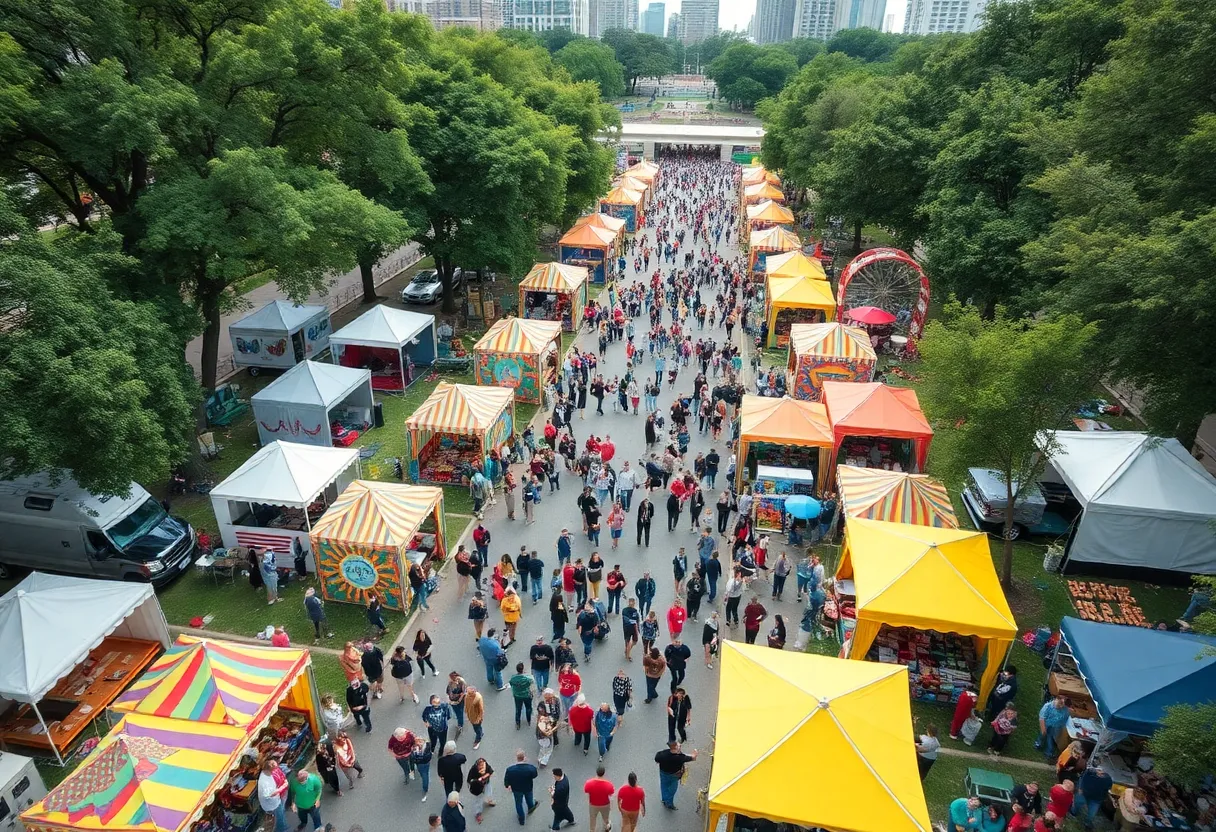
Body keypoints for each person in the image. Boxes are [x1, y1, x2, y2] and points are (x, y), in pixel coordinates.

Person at [654, 741, 697, 810]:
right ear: (676, 747)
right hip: (674, 775)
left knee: (664, 785)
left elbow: (657, 758)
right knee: (672, 789)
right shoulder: (680, 757)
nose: (680, 745)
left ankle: (664, 798)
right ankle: (669, 803)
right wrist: (695, 752)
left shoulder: (663, 753)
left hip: (663, 773)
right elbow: (693, 758)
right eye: (679, 745)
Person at [503, 749, 541, 825]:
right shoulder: (530, 768)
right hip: (528, 787)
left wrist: (507, 785)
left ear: (517, 758)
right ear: (524, 758)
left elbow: (506, 779)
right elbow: (535, 775)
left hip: (516, 789)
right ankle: (531, 807)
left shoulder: (510, 770)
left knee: (518, 803)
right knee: (529, 798)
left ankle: (521, 819)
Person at [1073, 765, 1113, 830]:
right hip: (1083, 794)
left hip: (1096, 799)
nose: (1099, 772)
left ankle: (1087, 823)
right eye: (1098, 770)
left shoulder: (1108, 780)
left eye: (1101, 771)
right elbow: (1082, 778)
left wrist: (1102, 797)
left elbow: (1108, 788)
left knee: (1092, 814)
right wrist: (1080, 788)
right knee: (1078, 803)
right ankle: (1074, 812)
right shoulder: (1089, 772)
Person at [1034, 695, 1071, 760]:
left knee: (1050, 738)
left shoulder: (1065, 710)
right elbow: (1042, 717)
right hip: (1046, 724)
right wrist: (1043, 728)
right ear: (1055, 700)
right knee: (1042, 734)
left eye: (1063, 704)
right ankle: (1038, 743)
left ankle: (1048, 752)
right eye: (1060, 704)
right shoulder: (1047, 706)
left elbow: (1066, 719)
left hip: (1056, 727)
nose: (1061, 706)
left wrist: (1061, 728)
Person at [258, 760, 289, 832]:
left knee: (280, 814)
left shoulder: (273, 772)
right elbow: (269, 794)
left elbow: (282, 776)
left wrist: (284, 783)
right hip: (274, 803)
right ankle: (282, 829)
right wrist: (283, 786)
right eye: (275, 768)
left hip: (279, 797)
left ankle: (282, 826)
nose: (277, 769)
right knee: (280, 817)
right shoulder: (265, 781)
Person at [585, 765, 615, 832]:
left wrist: (589, 802)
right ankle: (606, 827)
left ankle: (592, 830)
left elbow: (587, 793)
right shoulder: (609, 785)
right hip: (605, 805)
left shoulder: (589, 783)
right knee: (606, 818)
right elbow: (611, 797)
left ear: (596, 772)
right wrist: (611, 807)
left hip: (593, 804)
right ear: (604, 773)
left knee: (592, 819)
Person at [468, 758, 496, 823]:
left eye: (483, 765)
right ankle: (478, 814)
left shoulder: (486, 765)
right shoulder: (473, 770)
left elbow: (490, 772)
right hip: (478, 788)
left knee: (489, 792)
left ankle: (489, 801)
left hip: (486, 783)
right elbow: (470, 780)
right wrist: (478, 780)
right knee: (478, 801)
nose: (482, 767)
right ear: (477, 765)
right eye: (480, 766)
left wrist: (484, 777)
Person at [510, 662, 535, 729]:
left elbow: (511, 683)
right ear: (523, 669)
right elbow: (532, 680)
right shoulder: (527, 678)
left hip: (517, 696)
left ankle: (518, 723)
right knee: (528, 708)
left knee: (518, 709)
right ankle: (528, 720)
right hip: (526, 695)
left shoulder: (513, 678)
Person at [411, 735, 434, 800]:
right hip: (426, 762)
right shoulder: (427, 745)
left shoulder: (416, 751)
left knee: (423, 774)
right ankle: (425, 787)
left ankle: (425, 786)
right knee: (426, 773)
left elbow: (413, 758)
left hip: (420, 763)